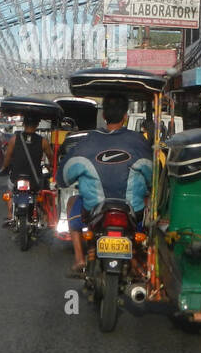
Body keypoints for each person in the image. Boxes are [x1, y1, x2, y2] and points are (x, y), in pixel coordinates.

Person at [57, 93, 152, 273]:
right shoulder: (139, 141)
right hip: (133, 211)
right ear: (126, 116)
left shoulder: (87, 142)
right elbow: (152, 175)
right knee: (149, 206)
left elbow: (64, 177)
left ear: (103, 115)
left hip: (94, 209)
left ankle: (79, 258)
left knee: (71, 201)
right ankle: (138, 259)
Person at [0, 115, 52, 227]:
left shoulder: (14, 139)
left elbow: (7, 157)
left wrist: (3, 167)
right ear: (37, 125)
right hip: (34, 179)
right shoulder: (43, 141)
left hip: (16, 177)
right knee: (41, 193)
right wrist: (50, 167)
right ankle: (44, 215)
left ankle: (10, 214)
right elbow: (51, 158)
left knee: (10, 191)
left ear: (23, 124)